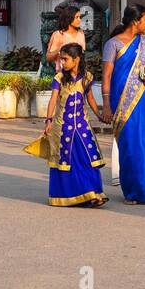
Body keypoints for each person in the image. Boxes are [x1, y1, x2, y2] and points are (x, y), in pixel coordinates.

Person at [101, 4, 145, 204]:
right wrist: (106, 104)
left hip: (143, 100)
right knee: (129, 145)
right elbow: (107, 76)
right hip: (121, 102)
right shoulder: (113, 44)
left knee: (144, 142)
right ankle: (132, 191)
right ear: (135, 22)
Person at [40, 43, 109, 208]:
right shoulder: (58, 78)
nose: (62, 62)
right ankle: (69, 195)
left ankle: (92, 193)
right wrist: (48, 120)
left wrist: (99, 115)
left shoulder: (87, 78)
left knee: (87, 158)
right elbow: (53, 100)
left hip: (82, 126)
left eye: (65, 59)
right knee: (66, 161)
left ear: (77, 59)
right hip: (63, 127)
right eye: (61, 59)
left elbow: (90, 99)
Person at [45, 3, 85, 69]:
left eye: (80, 17)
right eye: (77, 17)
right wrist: (60, 49)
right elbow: (48, 58)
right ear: (69, 18)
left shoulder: (81, 34)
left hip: (78, 73)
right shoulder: (58, 34)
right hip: (63, 73)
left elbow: (82, 55)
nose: (79, 20)